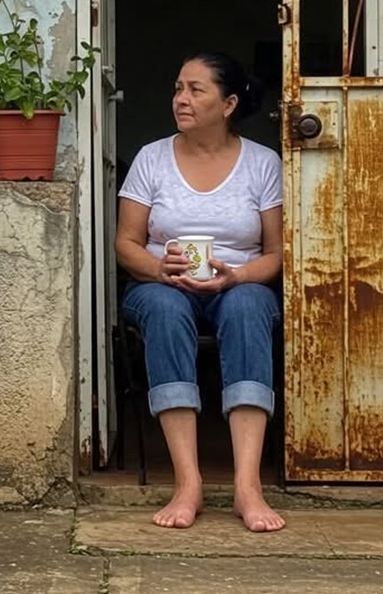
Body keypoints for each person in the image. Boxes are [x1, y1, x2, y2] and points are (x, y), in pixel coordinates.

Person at [114, 51, 285, 532]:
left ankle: (247, 487)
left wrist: (237, 276)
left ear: (228, 103)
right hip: (160, 285)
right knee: (166, 311)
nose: (181, 99)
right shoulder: (152, 158)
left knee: (250, 306)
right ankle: (187, 483)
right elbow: (125, 243)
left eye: (195, 90)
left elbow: (276, 254)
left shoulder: (262, 162)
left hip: (238, 283)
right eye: (177, 89)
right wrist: (157, 267)